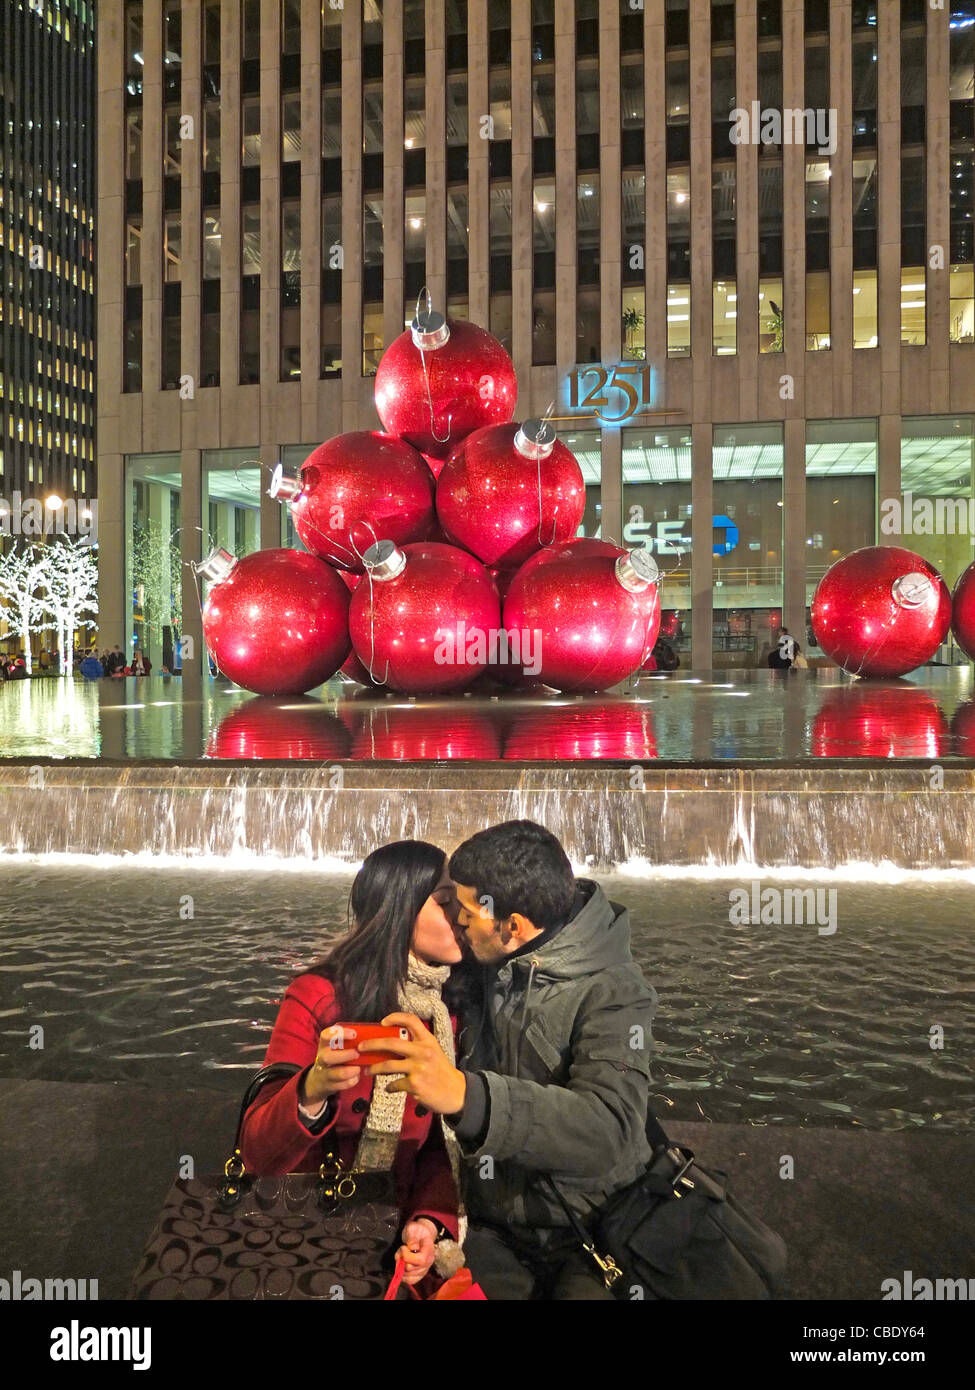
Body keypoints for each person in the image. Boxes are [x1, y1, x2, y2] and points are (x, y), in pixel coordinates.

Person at [357, 820, 657, 1301]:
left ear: (512, 926)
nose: (456, 921)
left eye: (465, 911)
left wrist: (468, 1097)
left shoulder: (616, 991)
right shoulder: (483, 961)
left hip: (591, 1225)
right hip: (491, 1222)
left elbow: (608, 1131)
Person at [239, 840, 466, 1291]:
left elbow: (441, 1144)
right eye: (444, 901)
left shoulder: (449, 1009)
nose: (461, 915)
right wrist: (311, 1090)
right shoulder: (318, 996)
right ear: (399, 910)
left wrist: (429, 1221)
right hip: (304, 1232)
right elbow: (256, 1152)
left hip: (398, 1238)